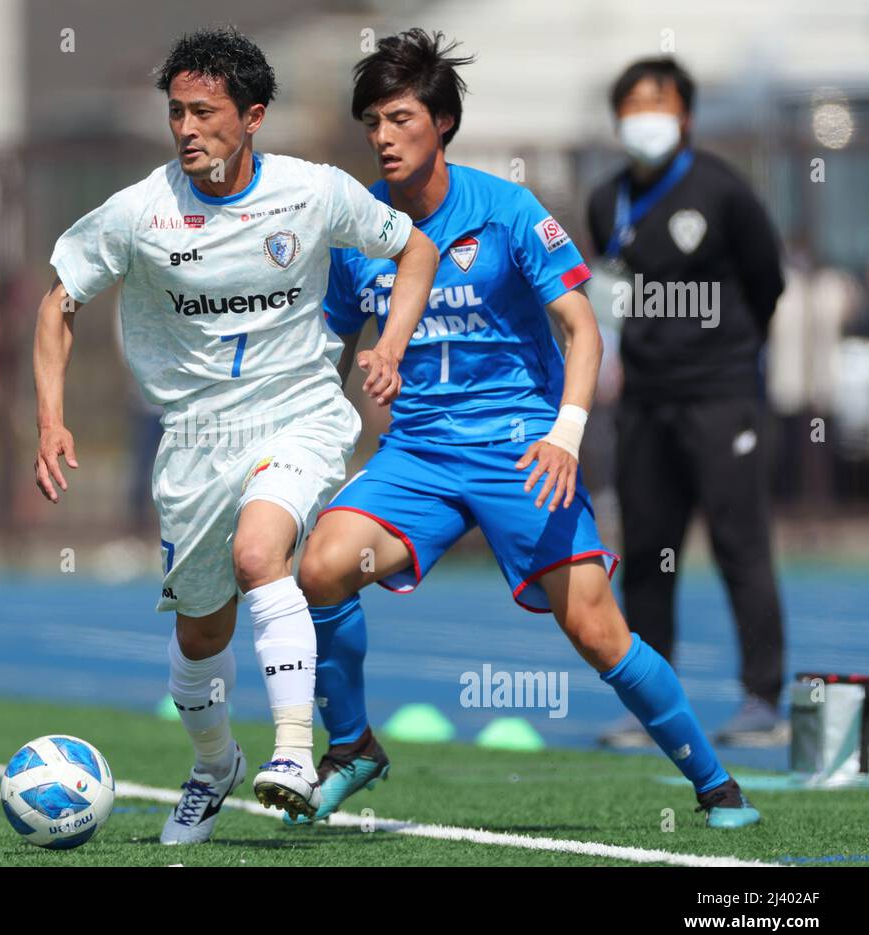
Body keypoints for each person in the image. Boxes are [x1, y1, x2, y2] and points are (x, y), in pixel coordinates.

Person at [296, 30, 760, 828]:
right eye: (371, 120)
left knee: (597, 630)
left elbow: (583, 330)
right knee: (322, 568)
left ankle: (717, 785)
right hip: (418, 456)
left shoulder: (506, 209)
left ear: (442, 122)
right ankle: (351, 746)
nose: (382, 136)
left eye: (399, 117)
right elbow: (337, 347)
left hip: (522, 450)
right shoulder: (357, 228)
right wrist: (311, 436)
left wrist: (565, 436)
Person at [33, 27, 438, 844]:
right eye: (176, 112)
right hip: (193, 441)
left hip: (299, 415)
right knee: (200, 631)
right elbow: (57, 303)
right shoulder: (140, 212)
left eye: (205, 113)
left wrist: (391, 343)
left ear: (252, 117)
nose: (186, 128)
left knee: (263, 555)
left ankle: (292, 756)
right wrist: (50, 418)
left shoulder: (313, 193)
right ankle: (215, 765)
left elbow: (416, 248)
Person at [586, 58, 787, 748]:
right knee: (646, 551)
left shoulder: (723, 191)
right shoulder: (606, 199)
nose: (645, 117)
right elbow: (607, 291)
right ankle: (652, 701)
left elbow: (768, 282)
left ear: (686, 116)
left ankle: (762, 699)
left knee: (741, 546)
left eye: (658, 104)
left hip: (721, 398)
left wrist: (728, 355)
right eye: (632, 105)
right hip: (644, 401)